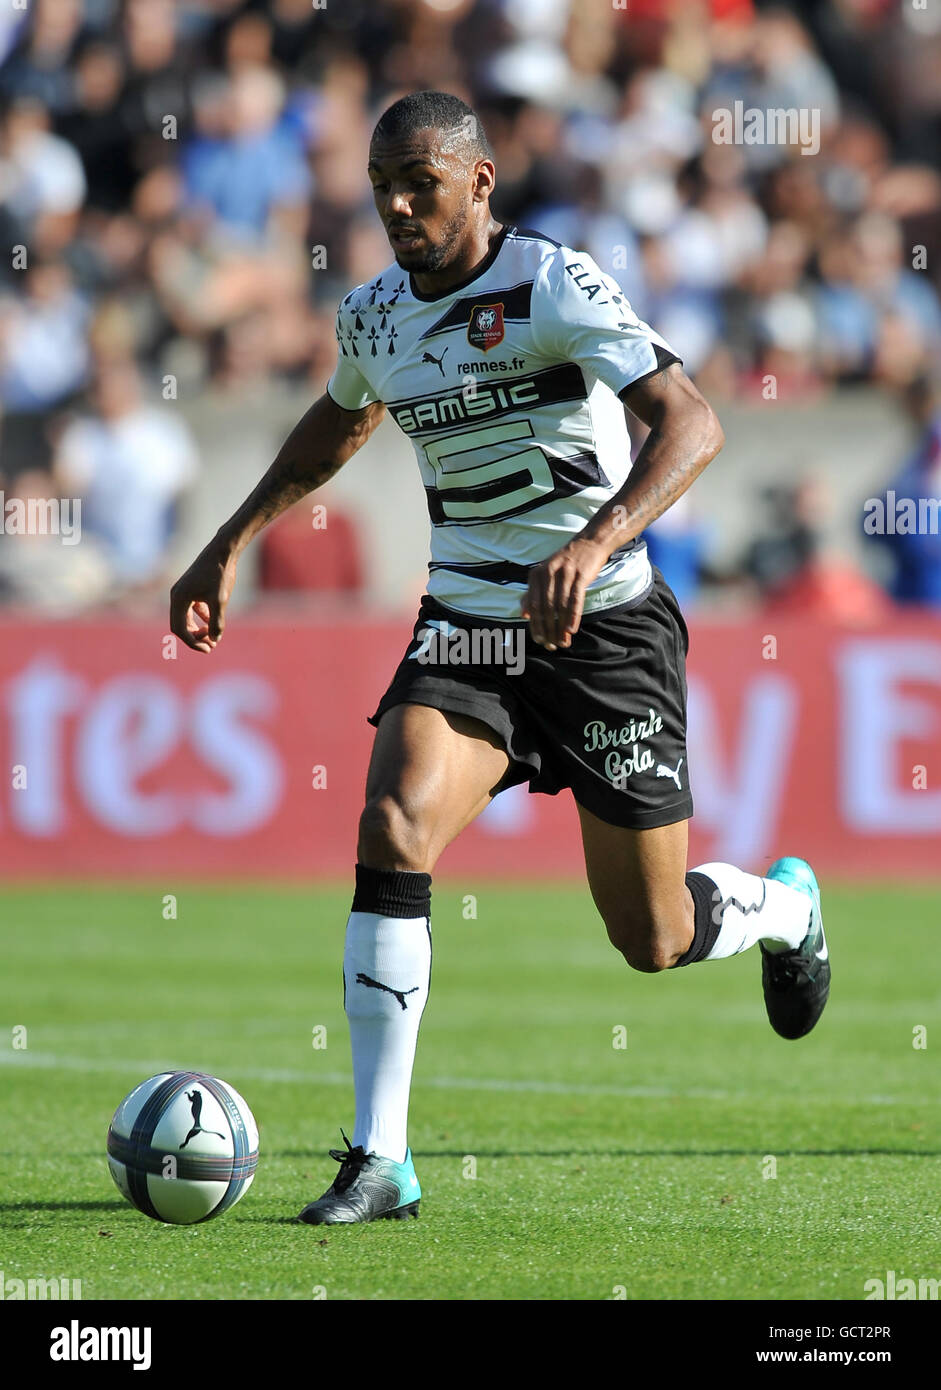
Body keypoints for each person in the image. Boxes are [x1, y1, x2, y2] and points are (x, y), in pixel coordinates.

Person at [169, 92, 830, 1227]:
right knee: (392, 825)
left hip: (603, 628)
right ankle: (381, 1159)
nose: (393, 202)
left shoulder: (553, 285)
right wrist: (228, 542)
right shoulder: (374, 317)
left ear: (478, 181)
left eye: (418, 179)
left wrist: (595, 539)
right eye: (383, 181)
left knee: (652, 937)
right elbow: (339, 423)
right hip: (469, 623)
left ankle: (782, 910)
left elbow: (691, 421)